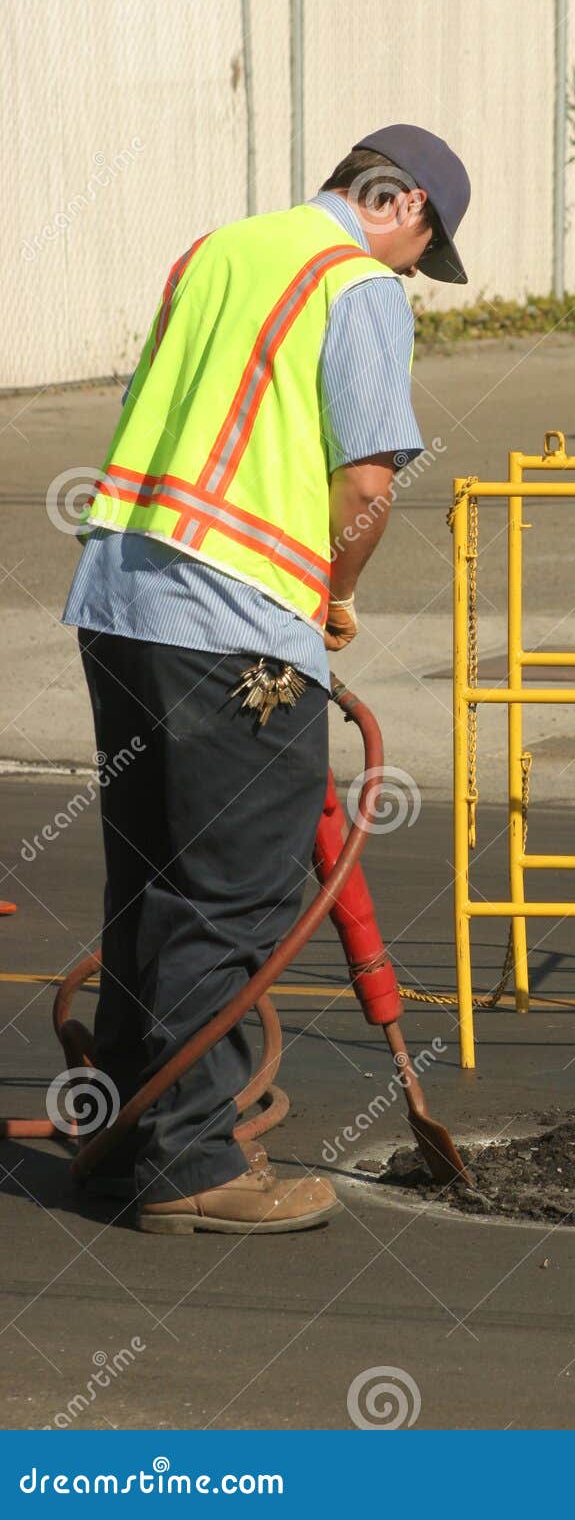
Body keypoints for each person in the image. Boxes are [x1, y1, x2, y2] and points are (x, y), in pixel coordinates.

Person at [61, 125, 471, 1235]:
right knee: (233, 889)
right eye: (417, 251)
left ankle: (125, 1134)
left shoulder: (218, 251)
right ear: (404, 207)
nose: (407, 276)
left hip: (121, 598)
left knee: (150, 879)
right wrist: (332, 595)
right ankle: (189, 1166)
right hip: (237, 619)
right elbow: (369, 484)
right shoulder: (355, 284)